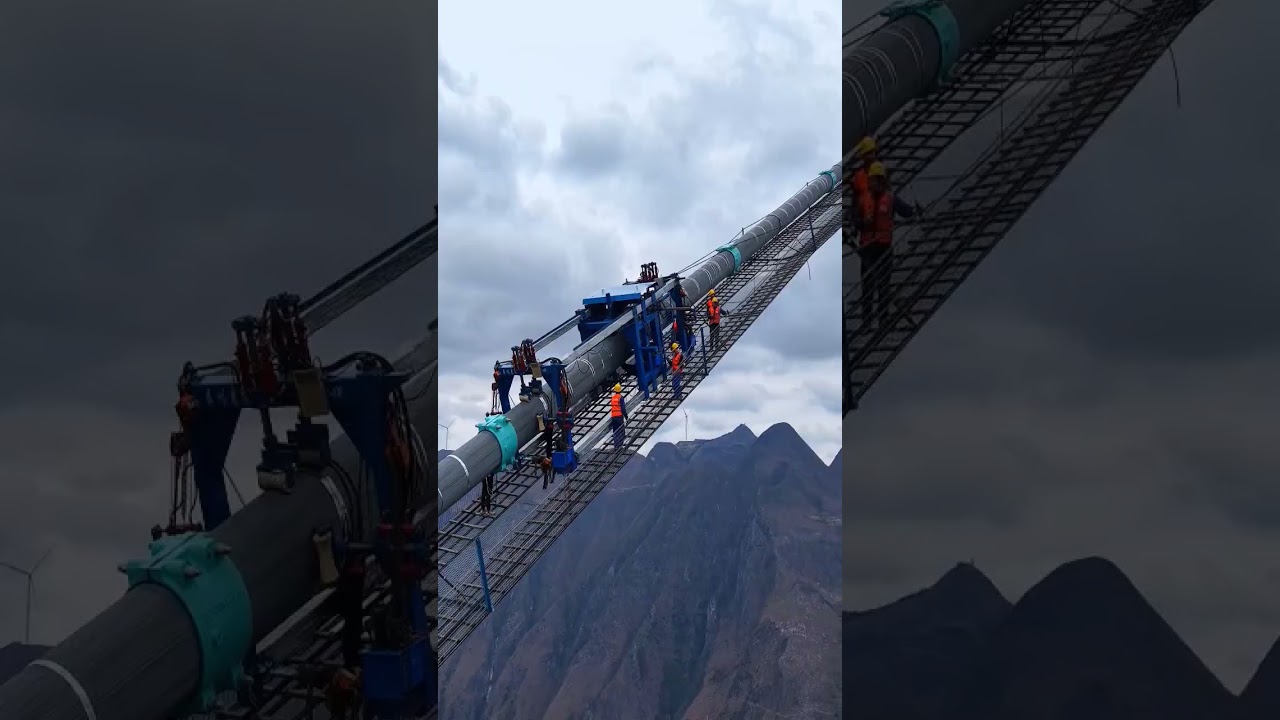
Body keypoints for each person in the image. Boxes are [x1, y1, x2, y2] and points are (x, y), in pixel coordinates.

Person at [855, 161, 921, 328]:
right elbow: (854, 220)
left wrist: (915, 211)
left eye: (877, 180)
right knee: (868, 286)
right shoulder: (863, 199)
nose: (874, 183)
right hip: (867, 248)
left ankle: (883, 320)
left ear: (882, 181)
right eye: (872, 180)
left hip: (883, 247)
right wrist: (863, 222)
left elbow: (906, 212)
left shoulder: (890, 198)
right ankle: (867, 322)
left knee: (883, 286)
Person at [610, 383, 627, 448]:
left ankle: (616, 446)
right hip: (619, 417)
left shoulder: (613, 398)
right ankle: (620, 446)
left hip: (613, 417)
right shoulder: (620, 397)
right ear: (620, 390)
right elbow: (623, 408)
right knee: (621, 431)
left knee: (616, 432)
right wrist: (626, 416)